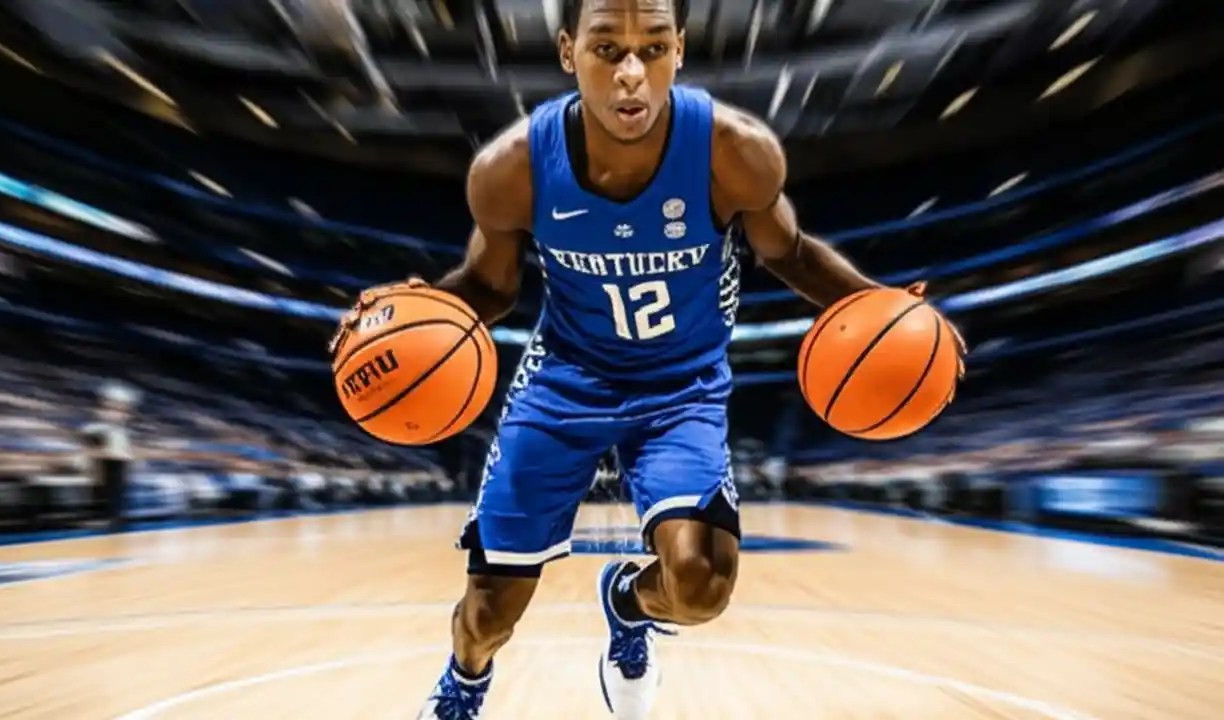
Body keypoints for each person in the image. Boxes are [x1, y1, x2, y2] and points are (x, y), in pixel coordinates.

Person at [329, 1, 964, 717]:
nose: (632, 74)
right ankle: (465, 679)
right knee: (489, 612)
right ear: (568, 51)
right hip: (565, 382)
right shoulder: (510, 170)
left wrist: (889, 306)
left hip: (681, 388)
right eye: (608, 50)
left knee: (699, 584)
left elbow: (786, 252)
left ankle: (627, 606)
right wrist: (411, 311)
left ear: (679, 51)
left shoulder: (734, 152)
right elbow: (488, 289)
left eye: (653, 49)